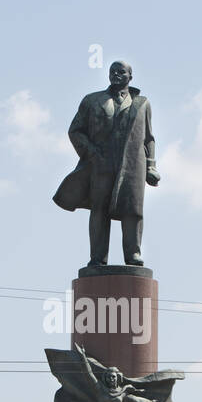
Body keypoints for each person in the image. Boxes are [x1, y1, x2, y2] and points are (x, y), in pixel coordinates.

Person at [53, 60, 159, 267]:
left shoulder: (142, 103)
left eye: (121, 72)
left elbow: (149, 138)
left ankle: (133, 254)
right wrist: (91, 153)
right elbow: (75, 130)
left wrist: (151, 166)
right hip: (101, 162)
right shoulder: (92, 101)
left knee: (133, 210)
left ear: (131, 76)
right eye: (112, 72)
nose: (116, 75)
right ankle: (98, 258)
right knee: (99, 209)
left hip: (133, 163)